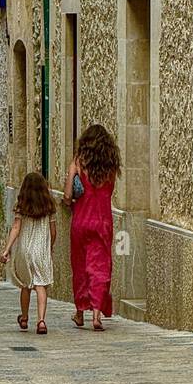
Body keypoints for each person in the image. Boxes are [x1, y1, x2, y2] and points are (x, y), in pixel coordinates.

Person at [64, 123, 121, 331]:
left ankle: (80, 313)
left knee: (80, 267)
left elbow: (68, 195)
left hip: (80, 220)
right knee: (100, 267)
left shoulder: (78, 163)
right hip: (103, 221)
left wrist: (69, 200)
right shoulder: (111, 168)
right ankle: (97, 314)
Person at [1, 171, 57, 335]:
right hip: (41, 250)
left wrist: (7, 249)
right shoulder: (49, 208)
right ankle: (41, 321)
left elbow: (16, 228)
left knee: (26, 285)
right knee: (40, 285)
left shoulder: (22, 206)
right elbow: (53, 231)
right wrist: (50, 247)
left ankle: (24, 317)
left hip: (25, 250)